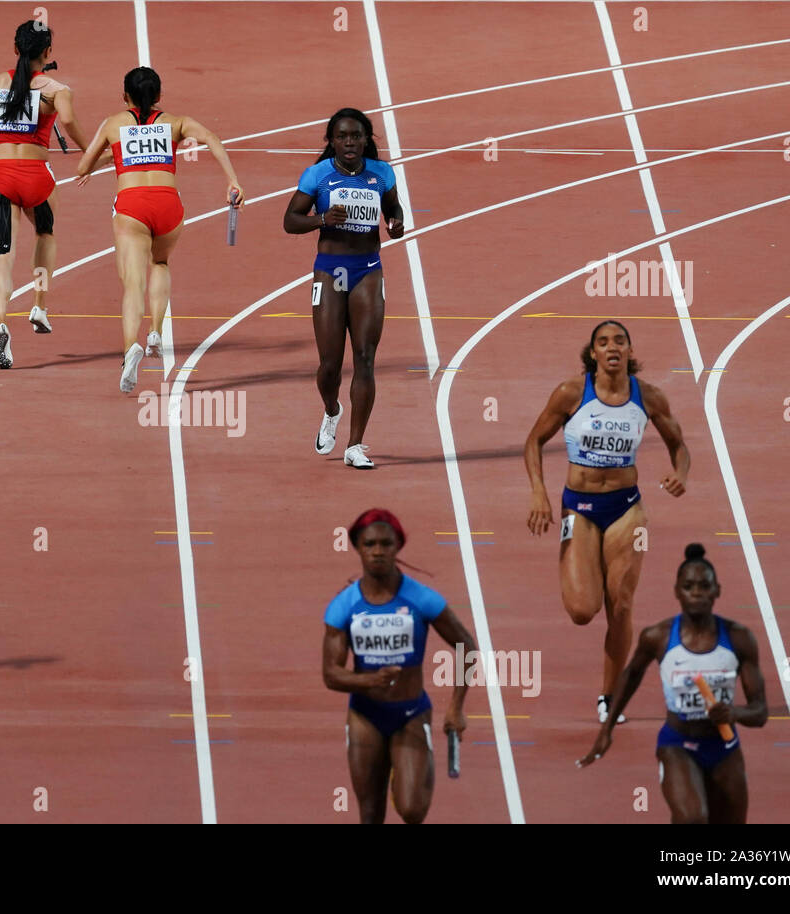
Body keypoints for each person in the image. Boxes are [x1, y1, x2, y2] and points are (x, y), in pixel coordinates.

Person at [524, 319, 690, 722]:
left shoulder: (648, 397)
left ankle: (609, 697)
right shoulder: (570, 394)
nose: (612, 347)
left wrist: (680, 473)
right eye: (603, 342)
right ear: (593, 353)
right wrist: (538, 492)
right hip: (577, 507)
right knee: (583, 610)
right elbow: (533, 442)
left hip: (627, 508)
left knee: (622, 604)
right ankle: (581, 561)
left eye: (620, 341)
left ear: (630, 352)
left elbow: (679, 446)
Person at [75, 66, 243, 393]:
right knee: (161, 263)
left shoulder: (112, 124)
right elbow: (212, 137)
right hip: (169, 205)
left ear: (125, 96)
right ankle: (154, 332)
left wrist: (113, 157)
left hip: (132, 206)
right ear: (159, 97)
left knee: (133, 285)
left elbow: (83, 166)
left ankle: (130, 350)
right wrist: (233, 180)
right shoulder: (175, 123)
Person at [578, 544, 766, 824]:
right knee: (692, 818)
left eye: (705, 586)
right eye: (689, 586)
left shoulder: (739, 640)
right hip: (678, 744)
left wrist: (734, 713)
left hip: (724, 747)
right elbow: (630, 676)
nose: (697, 593)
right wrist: (606, 730)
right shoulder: (659, 637)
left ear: (717, 591)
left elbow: (760, 712)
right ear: (677, 591)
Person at [322, 508, 476, 823]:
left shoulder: (422, 599)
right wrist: (371, 681)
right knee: (369, 811)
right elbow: (331, 674)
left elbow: (467, 645)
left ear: (398, 546)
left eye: (386, 543)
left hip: (410, 712)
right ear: (357, 547)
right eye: (369, 544)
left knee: (412, 808)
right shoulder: (344, 606)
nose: (378, 551)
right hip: (365, 715)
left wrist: (456, 707)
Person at [283, 108, 405, 468]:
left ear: (367, 139)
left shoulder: (381, 173)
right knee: (330, 364)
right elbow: (290, 220)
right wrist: (321, 219)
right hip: (329, 272)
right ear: (332, 141)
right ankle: (332, 409)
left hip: (368, 270)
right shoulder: (318, 176)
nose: (349, 142)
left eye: (356, 136)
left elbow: (394, 209)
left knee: (365, 357)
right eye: (342, 136)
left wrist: (396, 224)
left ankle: (355, 445)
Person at [0, 20, 89, 368]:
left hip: (1, 180)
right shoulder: (55, 88)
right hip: (38, 179)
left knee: (1, 259)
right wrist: (89, 151)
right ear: (47, 53)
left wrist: (1, 124)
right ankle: (39, 304)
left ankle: (1, 323)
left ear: (15, 49)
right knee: (45, 235)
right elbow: (67, 120)